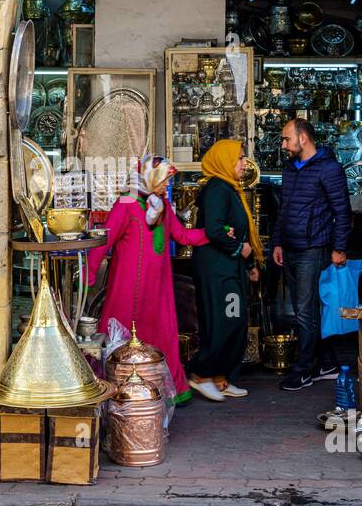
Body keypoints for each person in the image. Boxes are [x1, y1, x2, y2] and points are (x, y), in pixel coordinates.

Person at [87, 155, 208, 405]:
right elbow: (104, 240)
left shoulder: (161, 204)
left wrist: (213, 235)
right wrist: (89, 273)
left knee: (162, 333)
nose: (167, 185)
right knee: (120, 334)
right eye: (164, 179)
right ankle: (114, 387)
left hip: (158, 287)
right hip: (128, 286)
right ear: (151, 177)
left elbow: (181, 235)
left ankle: (170, 389)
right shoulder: (127, 203)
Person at [271, 118, 352, 391]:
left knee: (306, 312)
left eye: (287, 139)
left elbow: (342, 211)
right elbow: (284, 209)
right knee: (304, 310)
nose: (284, 145)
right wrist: (278, 243)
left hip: (313, 248)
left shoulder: (329, 169)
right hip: (291, 248)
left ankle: (303, 370)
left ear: (303, 138)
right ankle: (325, 361)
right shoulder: (291, 168)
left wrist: (339, 249)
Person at [186, 141, 262, 402]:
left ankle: (221, 378)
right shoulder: (217, 189)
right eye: (239, 159)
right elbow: (215, 229)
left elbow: (237, 230)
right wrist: (239, 248)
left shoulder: (231, 189)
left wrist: (249, 264)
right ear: (224, 161)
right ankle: (200, 373)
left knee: (235, 320)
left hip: (230, 267)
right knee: (226, 321)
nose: (244, 163)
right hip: (217, 269)